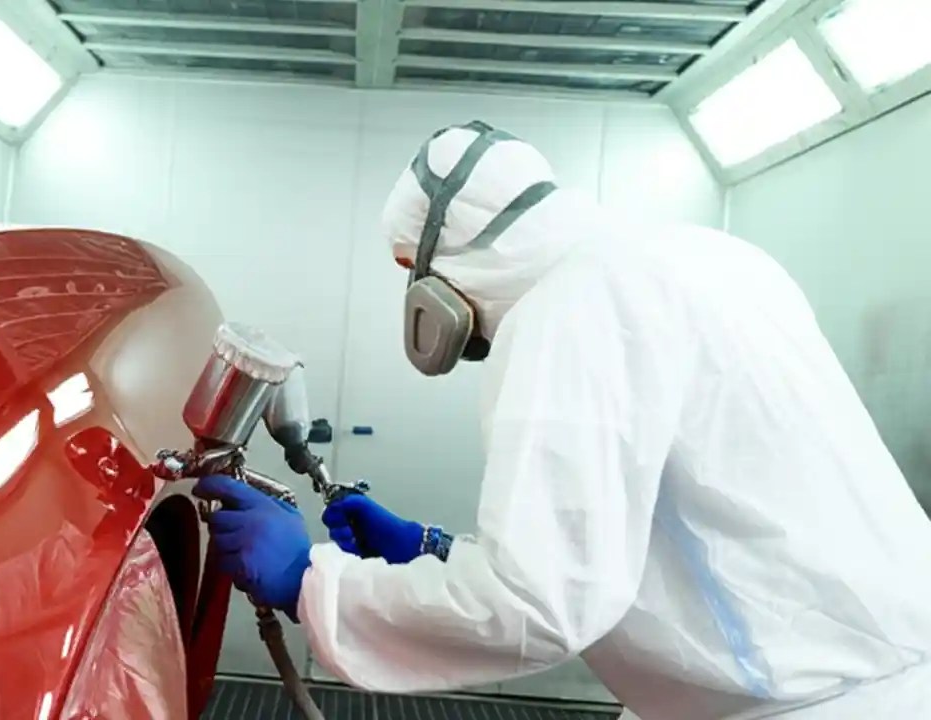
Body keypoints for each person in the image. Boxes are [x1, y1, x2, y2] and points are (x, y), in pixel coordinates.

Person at [194, 121, 931, 719]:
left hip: (799, 702)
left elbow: (539, 605)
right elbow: (673, 530)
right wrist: (438, 549)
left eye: (406, 269)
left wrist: (309, 581)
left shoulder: (569, 311)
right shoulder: (708, 260)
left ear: (444, 259)